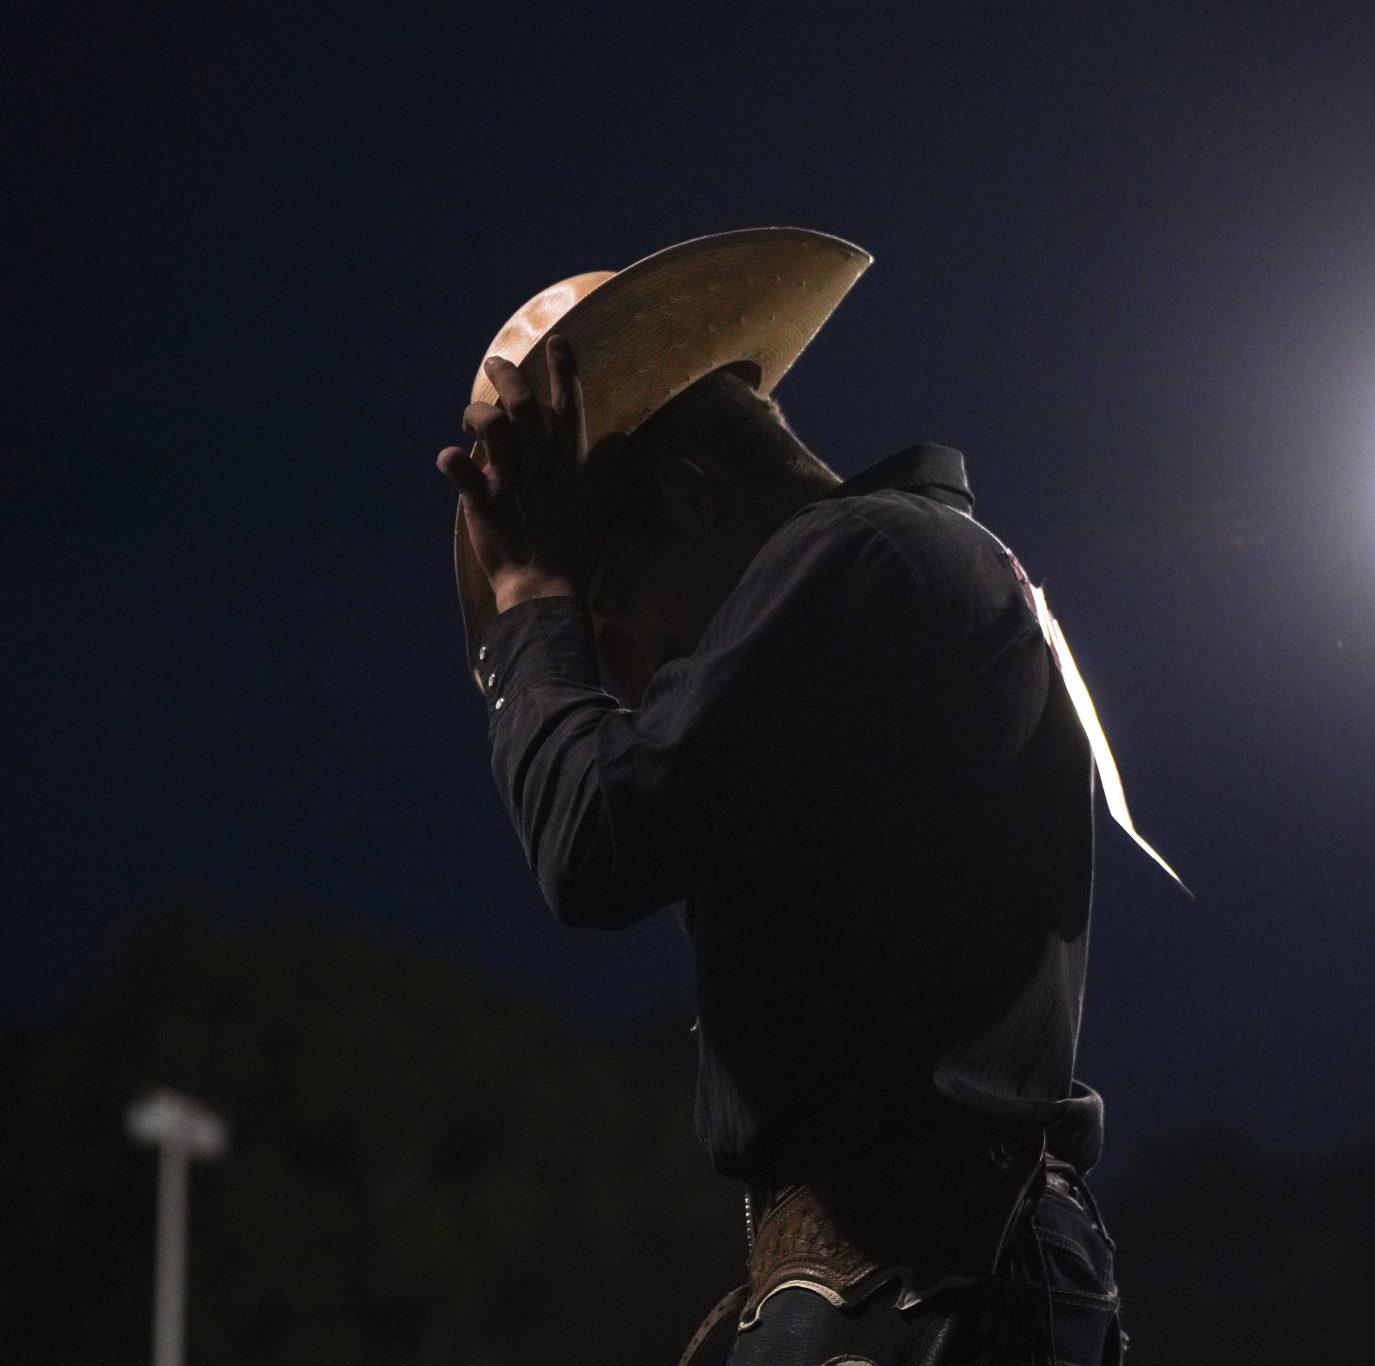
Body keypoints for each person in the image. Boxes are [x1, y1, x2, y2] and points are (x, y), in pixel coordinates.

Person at [434, 233, 1130, 1366]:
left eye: (612, 600)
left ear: (690, 497)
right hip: (900, 1280)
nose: (633, 674)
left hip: (919, 1282)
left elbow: (596, 841)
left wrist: (527, 609)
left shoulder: (867, 558)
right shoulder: (901, 572)